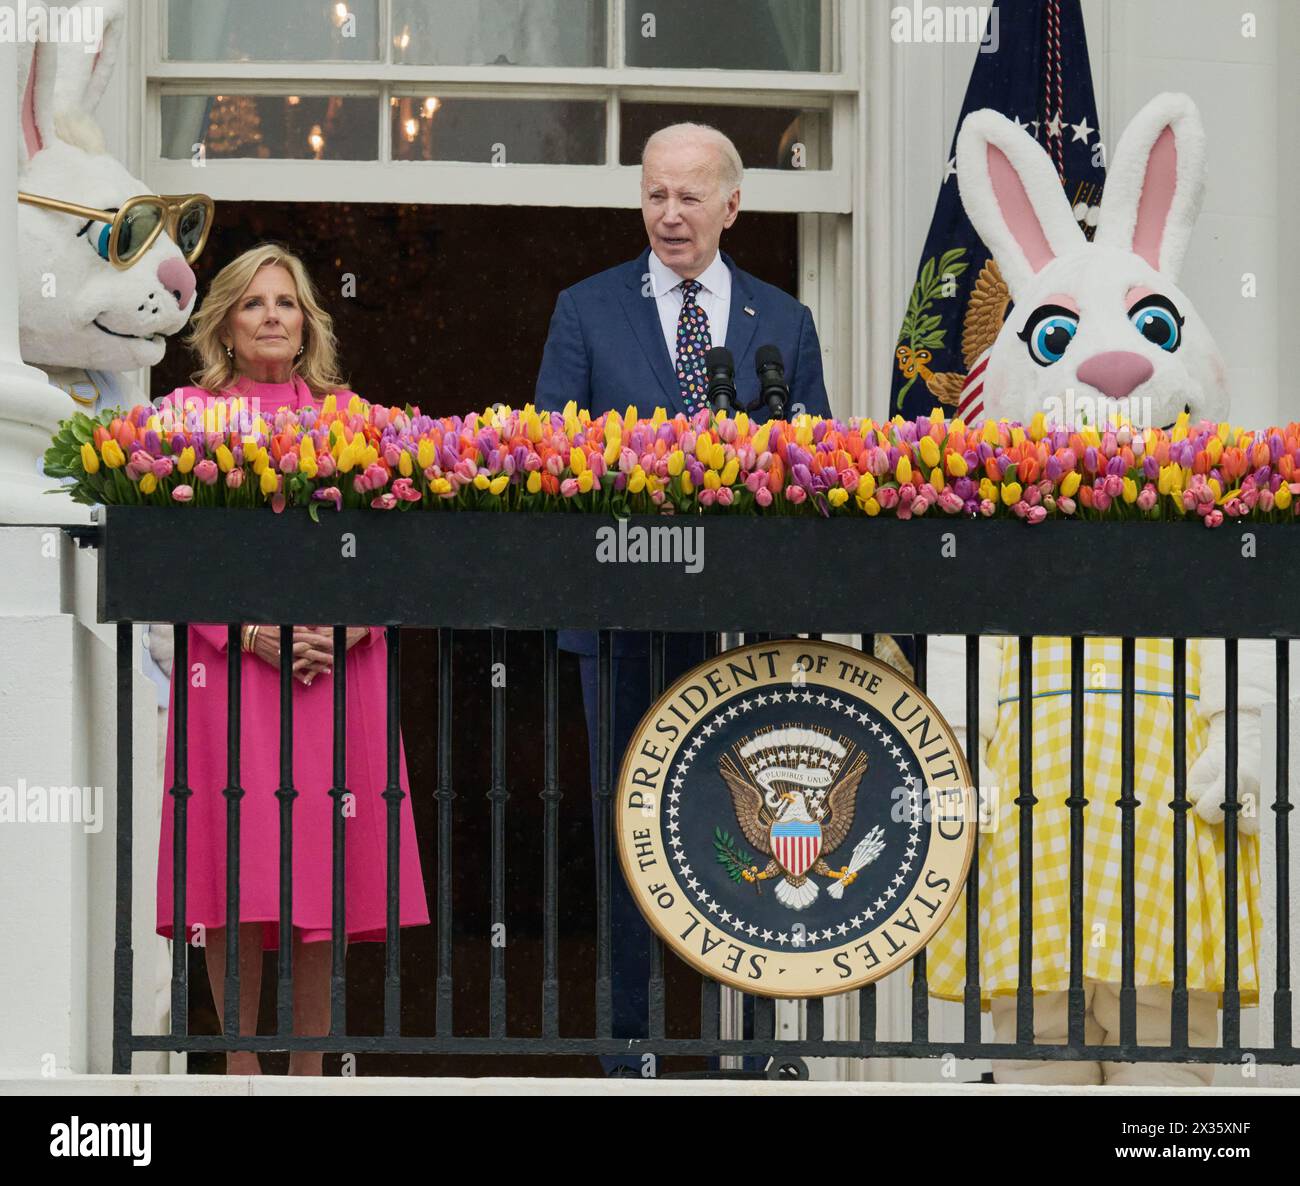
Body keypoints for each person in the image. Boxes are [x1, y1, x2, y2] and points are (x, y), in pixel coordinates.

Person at [534, 124, 833, 1074]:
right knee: (633, 826)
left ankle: (752, 1042)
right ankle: (632, 1040)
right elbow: (549, 462)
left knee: (745, 822)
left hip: (741, 629)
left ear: (732, 206)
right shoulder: (585, 310)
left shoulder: (782, 322)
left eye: (689, 196)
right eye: (655, 195)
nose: (669, 213)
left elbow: (820, 473)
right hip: (622, 624)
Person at [154, 243, 430, 1076]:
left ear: (309, 323)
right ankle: (240, 1064)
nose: (274, 316)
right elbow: (170, 558)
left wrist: (348, 631)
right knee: (233, 871)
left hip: (334, 675)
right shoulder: (184, 420)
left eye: (288, 303)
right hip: (227, 675)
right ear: (226, 326)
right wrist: (243, 632)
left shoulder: (360, 423)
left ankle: (309, 1070)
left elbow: (399, 559)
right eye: (255, 304)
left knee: (322, 875)